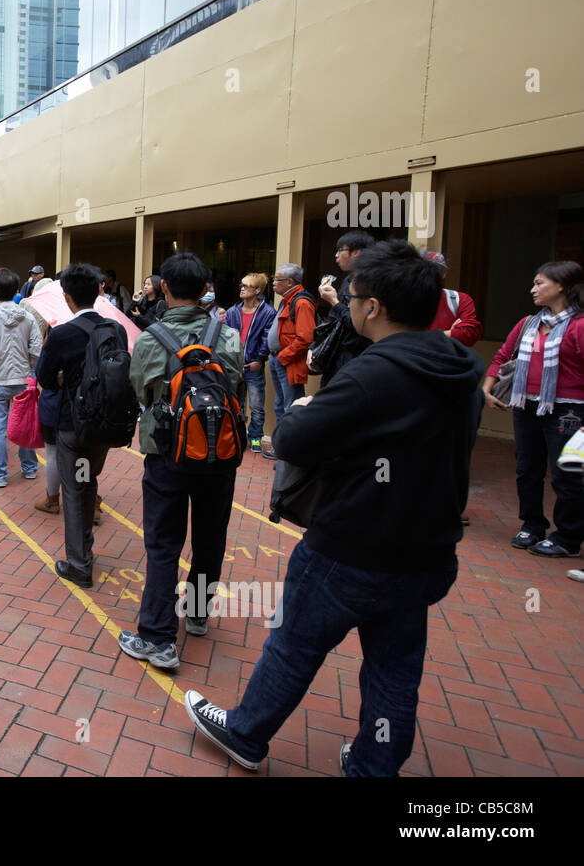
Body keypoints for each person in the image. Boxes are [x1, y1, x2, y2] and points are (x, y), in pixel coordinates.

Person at [183, 239, 484, 776]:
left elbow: (296, 441)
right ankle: (374, 762)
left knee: (295, 644)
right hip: (427, 551)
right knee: (395, 668)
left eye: (354, 296)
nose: (350, 304)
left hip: (354, 544)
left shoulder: (376, 371)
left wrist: (303, 409)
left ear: (377, 307)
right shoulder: (461, 368)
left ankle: (246, 733)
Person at [121, 252, 243, 669]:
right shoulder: (226, 335)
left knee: (163, 543)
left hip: (165, 453)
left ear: (165, 289)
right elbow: (238, 384)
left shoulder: (151, 337)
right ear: (206, 288)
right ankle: (196, 614)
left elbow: (140, 390)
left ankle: (157, 638)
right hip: (219, 453)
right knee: (210, 539)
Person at [484, 261, 584, 558]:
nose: (533, 289)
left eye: (540, 283)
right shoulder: (529, 323)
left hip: (568, 409)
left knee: (567, 472)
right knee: (528, 468)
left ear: (562, 286)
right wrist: (486, 389)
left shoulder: (579, 326)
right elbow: (503, 355)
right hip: (526, 404)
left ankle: (567, 537)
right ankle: (532, 525)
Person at [36, 263, 113, 587]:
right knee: (88, 481)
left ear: (66, 297)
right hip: (105, 425)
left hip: (74, 426)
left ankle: (80, 563)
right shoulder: (114, 330)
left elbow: (44, 379)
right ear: (98, 293)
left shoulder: (62, 333)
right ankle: (85, 549)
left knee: (75, 488)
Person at [0, 269, 41, 487]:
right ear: (16, 291)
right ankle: (30, 467)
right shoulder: (29, 318)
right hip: (23, 379)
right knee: (26, 423)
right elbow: (36, 348)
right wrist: (28, 367)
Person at [264, 263, 317, 458]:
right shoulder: (286, 300)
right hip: (280, 359)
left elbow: (305, 337)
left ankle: (290, 450)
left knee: (291, 406)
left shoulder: (301, 302)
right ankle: (281, 447)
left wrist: (284, 356)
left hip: (289, 361)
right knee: (280, 405)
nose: (273, 283)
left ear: (289, 282)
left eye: (277, 279)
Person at [312, 230, 375, 385]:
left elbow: (359, 325)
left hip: (356, 357)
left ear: (357, 252)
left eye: (341, 250)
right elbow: (334, 320)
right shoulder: (348, 280)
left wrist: (334, 301)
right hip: (336, 355)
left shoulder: (370, 282)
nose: (336, 255)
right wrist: (314, 347)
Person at [225, 272, 278, 453]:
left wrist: (260, 359)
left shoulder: (268, 312)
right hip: (234, 365)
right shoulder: (233, 311)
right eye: (241, 285)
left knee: (256, 405)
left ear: (257, 290)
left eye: (246, 286)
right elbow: (227, 337)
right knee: (235, 403)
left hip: (253, 366)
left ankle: (255, 437)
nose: (241, 288)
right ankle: (237, 435)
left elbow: (267, 338)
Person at [424, 252, 483, 346]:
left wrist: (425, 336)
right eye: (426, 270)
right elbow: (401, 336)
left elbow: (469, 333)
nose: (432, 274)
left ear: (444, 273)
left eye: (438, 270)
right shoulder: (406, 298)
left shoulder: (459, 300)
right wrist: (448, 334)